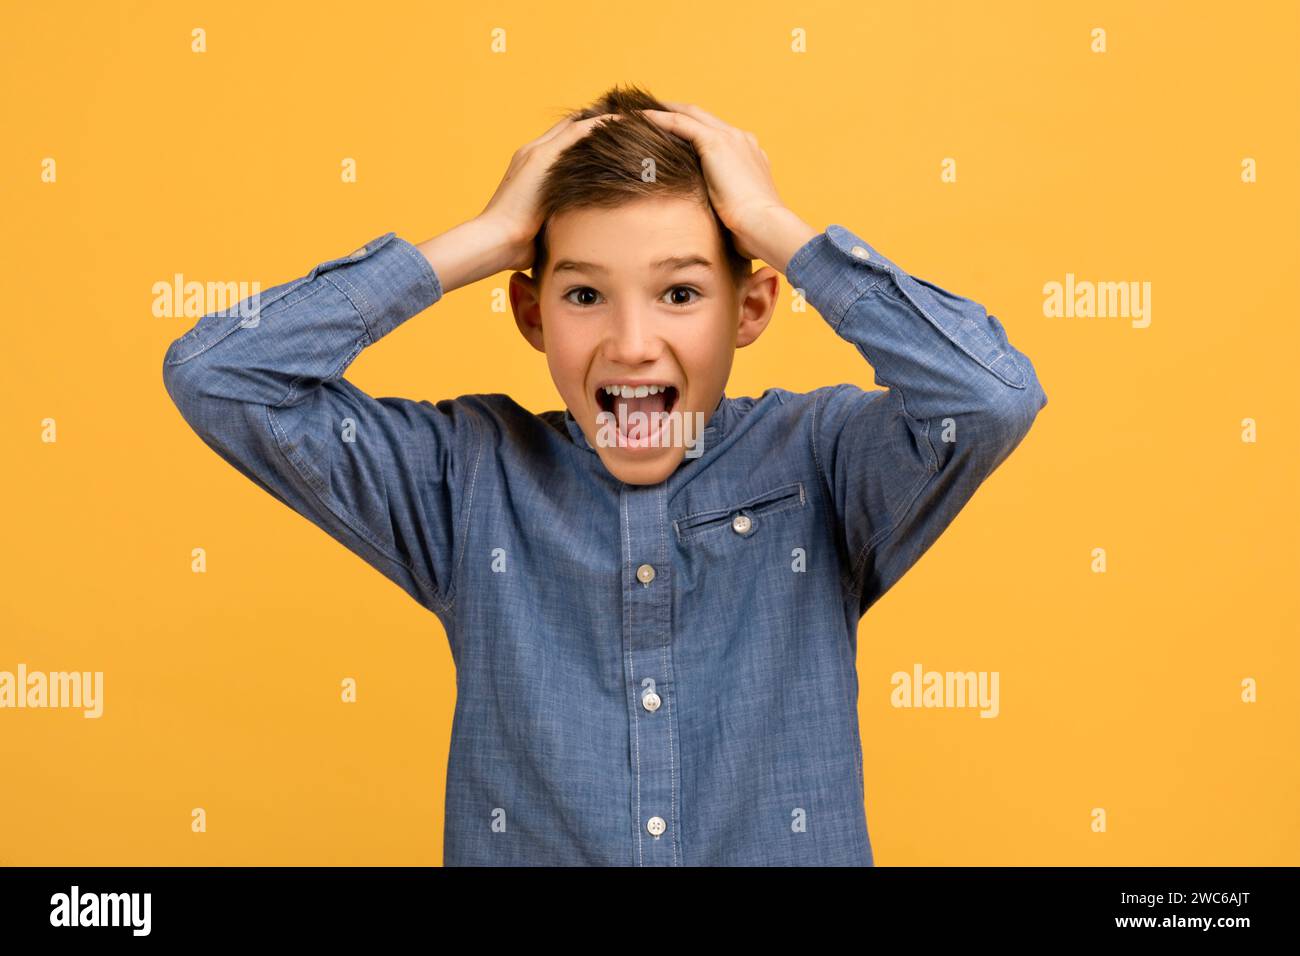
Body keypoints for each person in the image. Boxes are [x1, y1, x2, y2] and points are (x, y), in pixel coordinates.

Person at [162, 83, 1048, 866]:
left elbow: (988, 397)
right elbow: (220, 378)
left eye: (681, 292)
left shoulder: (822, 460)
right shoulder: (466, 479)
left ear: (751, 307)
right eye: (584, 294)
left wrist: (779, 231)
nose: (630, 342)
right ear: (529, 310)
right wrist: (485, 237)